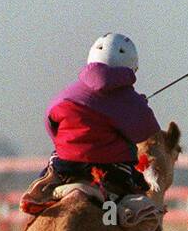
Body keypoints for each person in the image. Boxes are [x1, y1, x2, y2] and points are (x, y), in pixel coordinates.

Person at [20, 33, 161, 214]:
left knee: (47, 177)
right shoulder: (130, 99)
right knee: (142, 201)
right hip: (111, 170)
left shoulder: (67, 93)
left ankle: (36, 203)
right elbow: (149, 134)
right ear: (132, 67)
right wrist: (138, 107)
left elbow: (50, 124)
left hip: (66, 165)